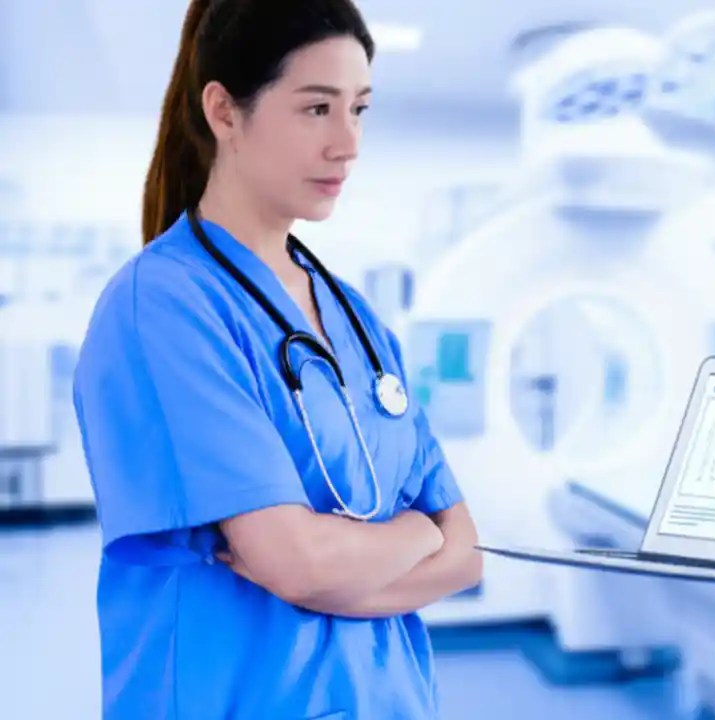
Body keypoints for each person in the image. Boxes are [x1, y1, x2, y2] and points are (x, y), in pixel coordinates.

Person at [72, 1, 482, 717]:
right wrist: (412, 535)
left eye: (359, 109)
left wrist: (377, 552)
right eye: (316, 109)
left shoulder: (357, 319)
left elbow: (465, 552)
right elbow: (297, 562)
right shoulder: (165, 306)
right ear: (224, 112)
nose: (348, 144)